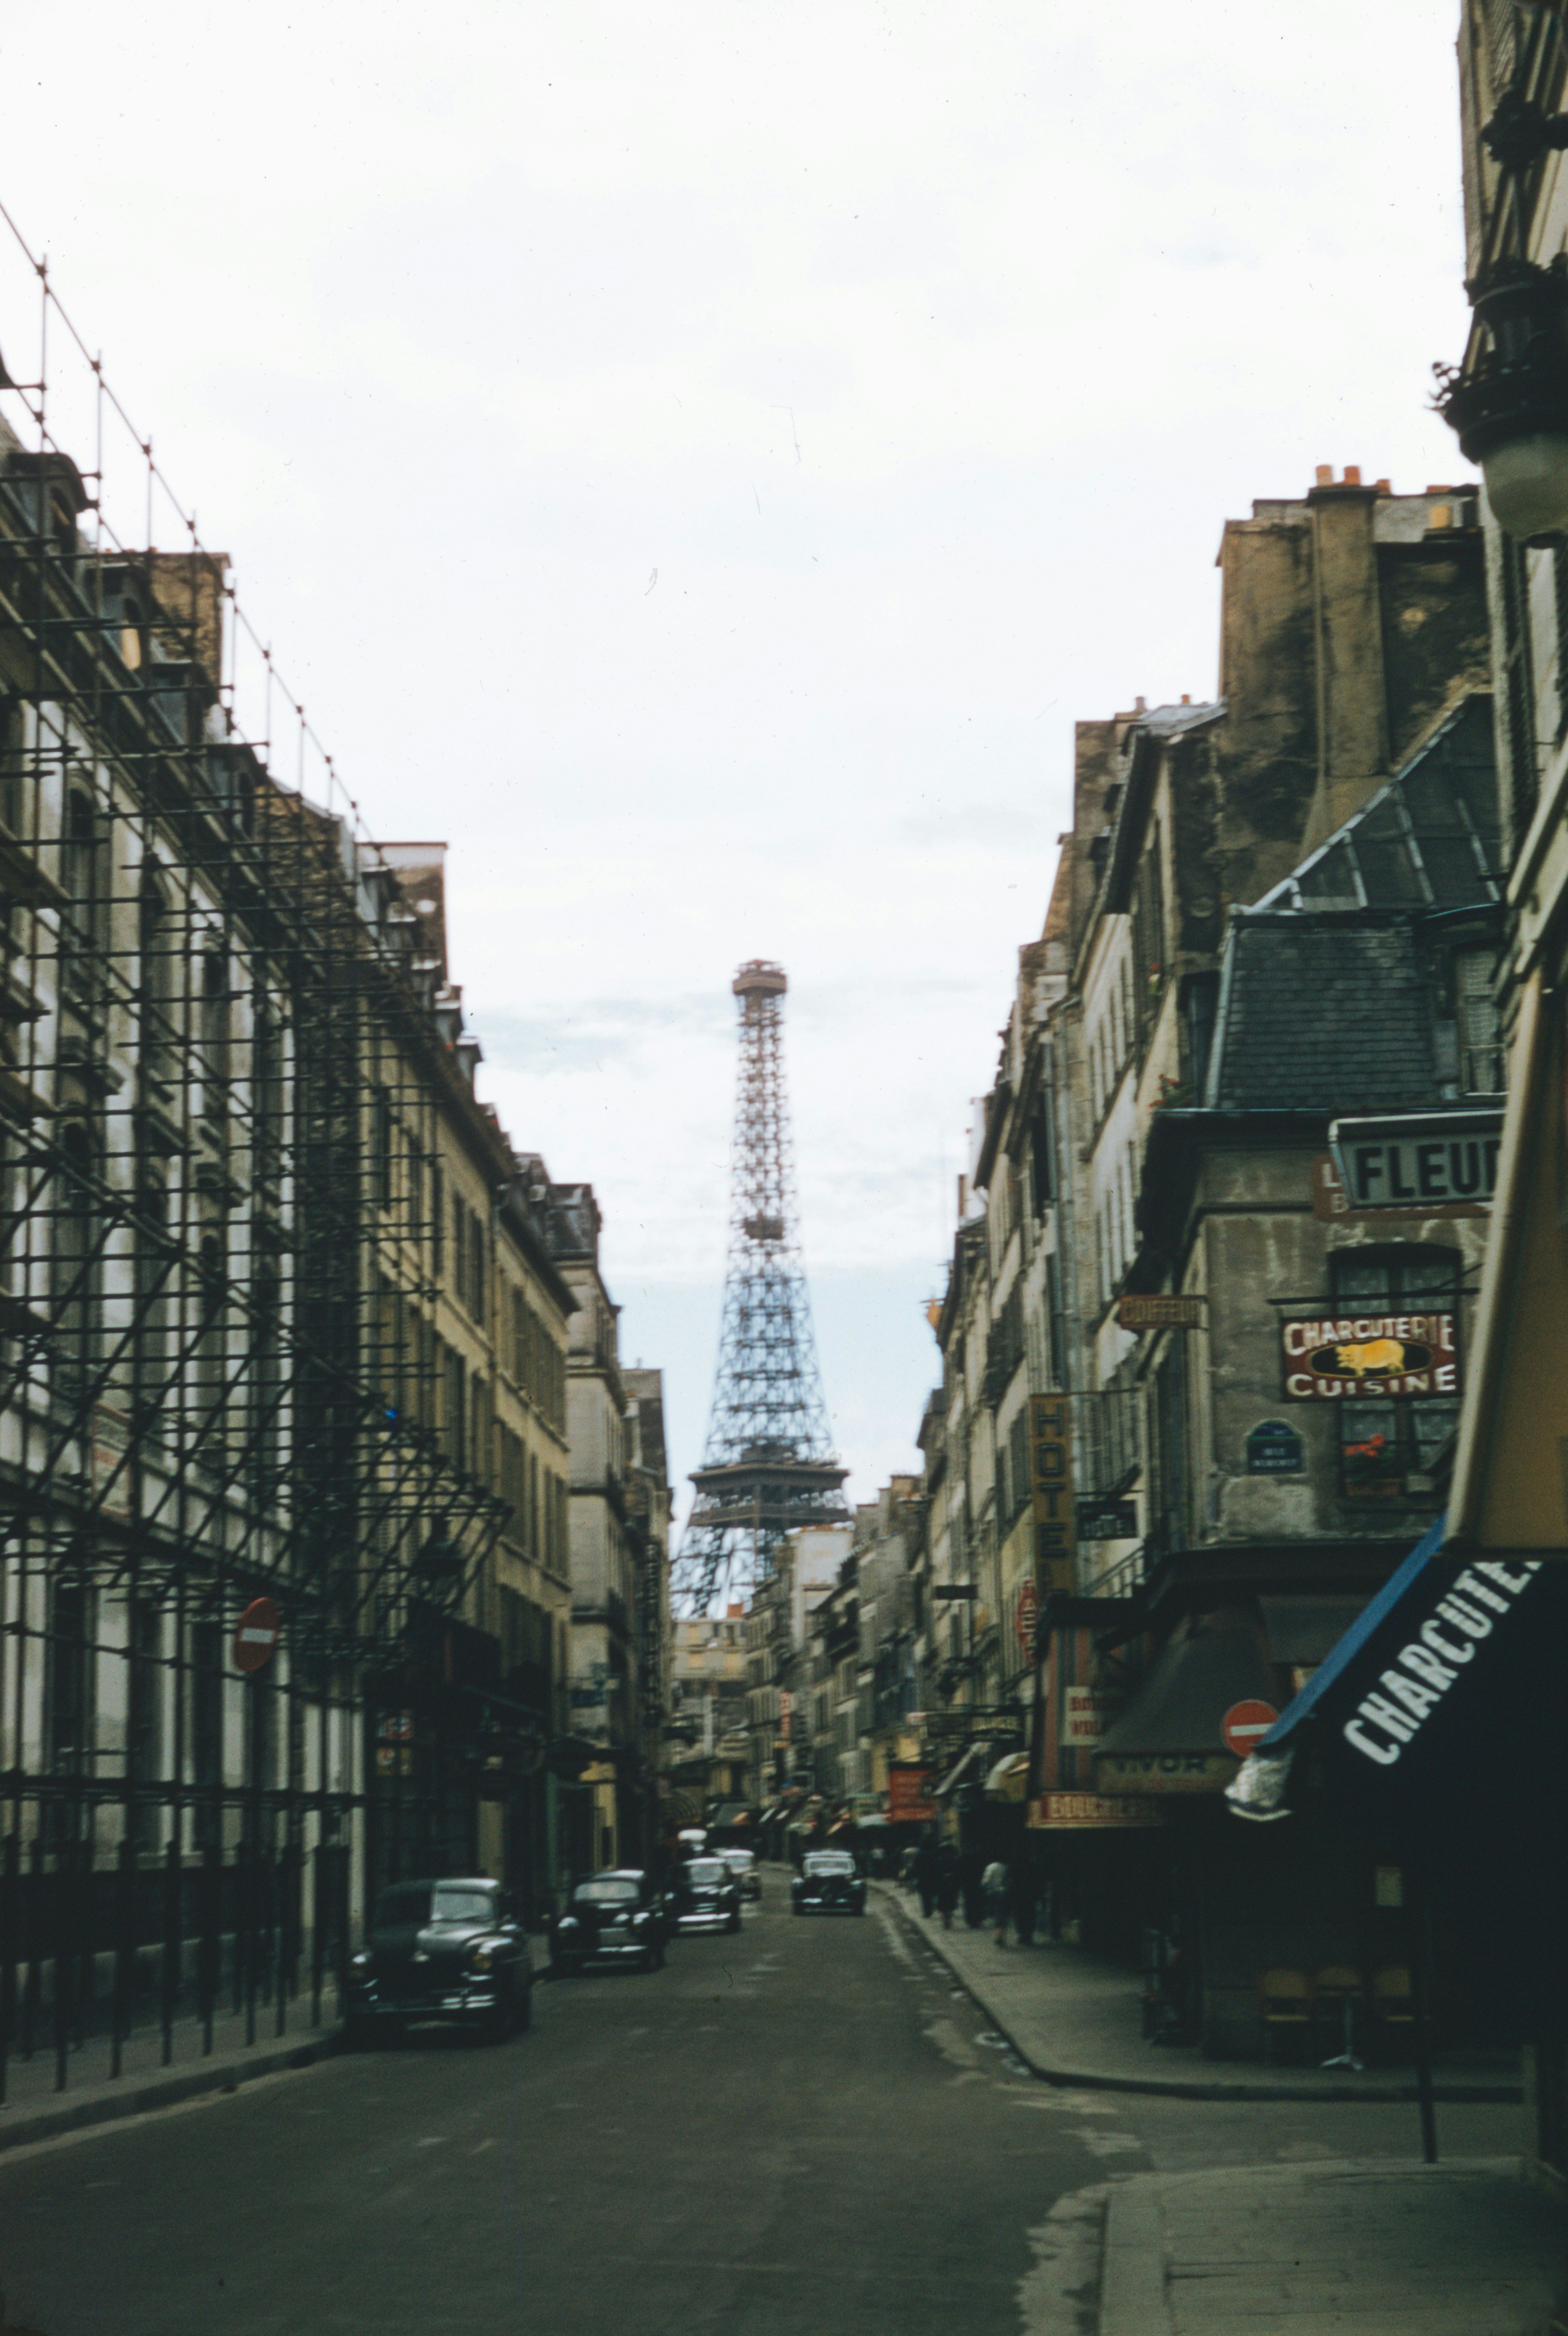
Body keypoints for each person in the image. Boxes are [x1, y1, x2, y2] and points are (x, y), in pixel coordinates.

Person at [982, 1854, 1011, 1945]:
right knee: (1003, 1914)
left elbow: (986, 1881)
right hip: (1005, 1893)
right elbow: (1009, 1881)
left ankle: (998, 1935)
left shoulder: (990, 1867)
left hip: (993, 1893)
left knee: (996, 1914)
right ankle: (1002, 1936)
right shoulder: (1006, 1867)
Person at [912, 1834, 939, 1920]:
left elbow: (916, 1866)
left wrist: (916, 1876)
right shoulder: (934, 1853)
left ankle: (927, 1911)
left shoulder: (919, 1854)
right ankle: (932, 1907)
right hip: (933, 1877)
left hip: (923, 1878)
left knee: (925, 1896)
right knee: (933, 1893)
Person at [934, 1842, 960, 1930]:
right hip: (951, 1883)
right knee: (950, 1901)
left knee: (944, 1901)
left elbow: (937, 1872)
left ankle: (946, 1917)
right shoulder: (954, 1860)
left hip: (943, 1883)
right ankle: (948, 1916)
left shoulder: (939, 1860)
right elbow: (957, 1871)